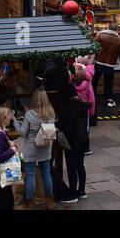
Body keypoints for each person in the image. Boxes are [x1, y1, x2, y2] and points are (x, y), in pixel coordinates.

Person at [47, 67, 89, 202]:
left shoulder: (66, 106)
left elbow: (62, 123)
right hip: (83, 138)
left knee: (71, 167)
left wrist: (53, 124)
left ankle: (72, 192)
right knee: (80, 165)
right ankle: (82, 190)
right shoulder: (81, 104)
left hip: (72, 139)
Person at [17, 89, 56, 209]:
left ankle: (29, 203)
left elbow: (23, 133)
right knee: (46, 173)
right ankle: (50, 202)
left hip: (31, 148)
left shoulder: (30, 114)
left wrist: (15, 122)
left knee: (30, 175)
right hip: (46, 146)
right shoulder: (51, 113)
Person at [93, 22, 120, 108]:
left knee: (95, 81)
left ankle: (92, 97)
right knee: (109, 83)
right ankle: (109, 99)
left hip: (99, 62)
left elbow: (94, 45)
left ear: (108, 27)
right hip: (110, 64)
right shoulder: (118, 39)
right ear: (116, 30)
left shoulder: (100, 35)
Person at [73, 62, 96, 135]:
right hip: (85, 110)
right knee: (85, 129)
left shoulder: (71, 83)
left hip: (74, 110)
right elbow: (92, 99)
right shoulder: (88, 84)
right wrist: (92, 112)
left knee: (76, 127)